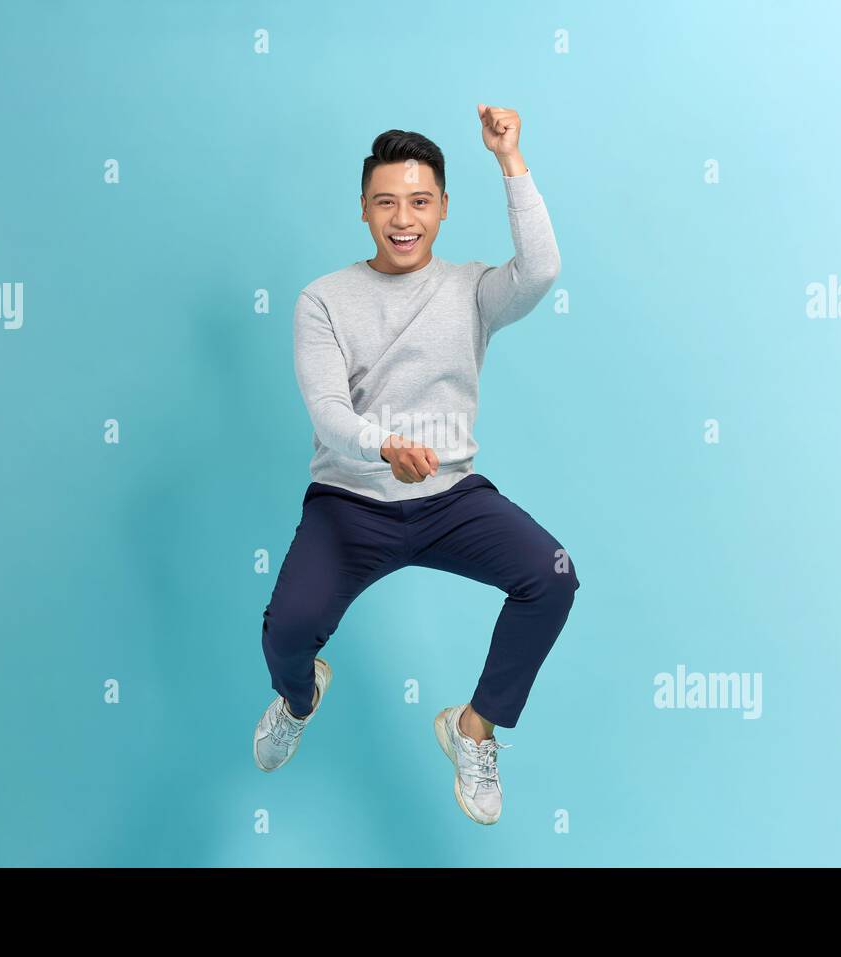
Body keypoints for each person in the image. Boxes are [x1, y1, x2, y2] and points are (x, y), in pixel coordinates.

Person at [254, 104, 579, 825]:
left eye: (421, 201)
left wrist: (509, 158)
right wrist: (383, 448)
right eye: (387, 202)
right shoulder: (324, 300)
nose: (405, 218)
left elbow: (544, 266)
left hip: (451, 498)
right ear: (365, 209)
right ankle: (299, 698)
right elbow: (329, 413)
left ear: (443, 208)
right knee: (285, 631)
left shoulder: (473, 290)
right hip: (350, 501)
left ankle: (473, 729)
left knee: (552, 577)